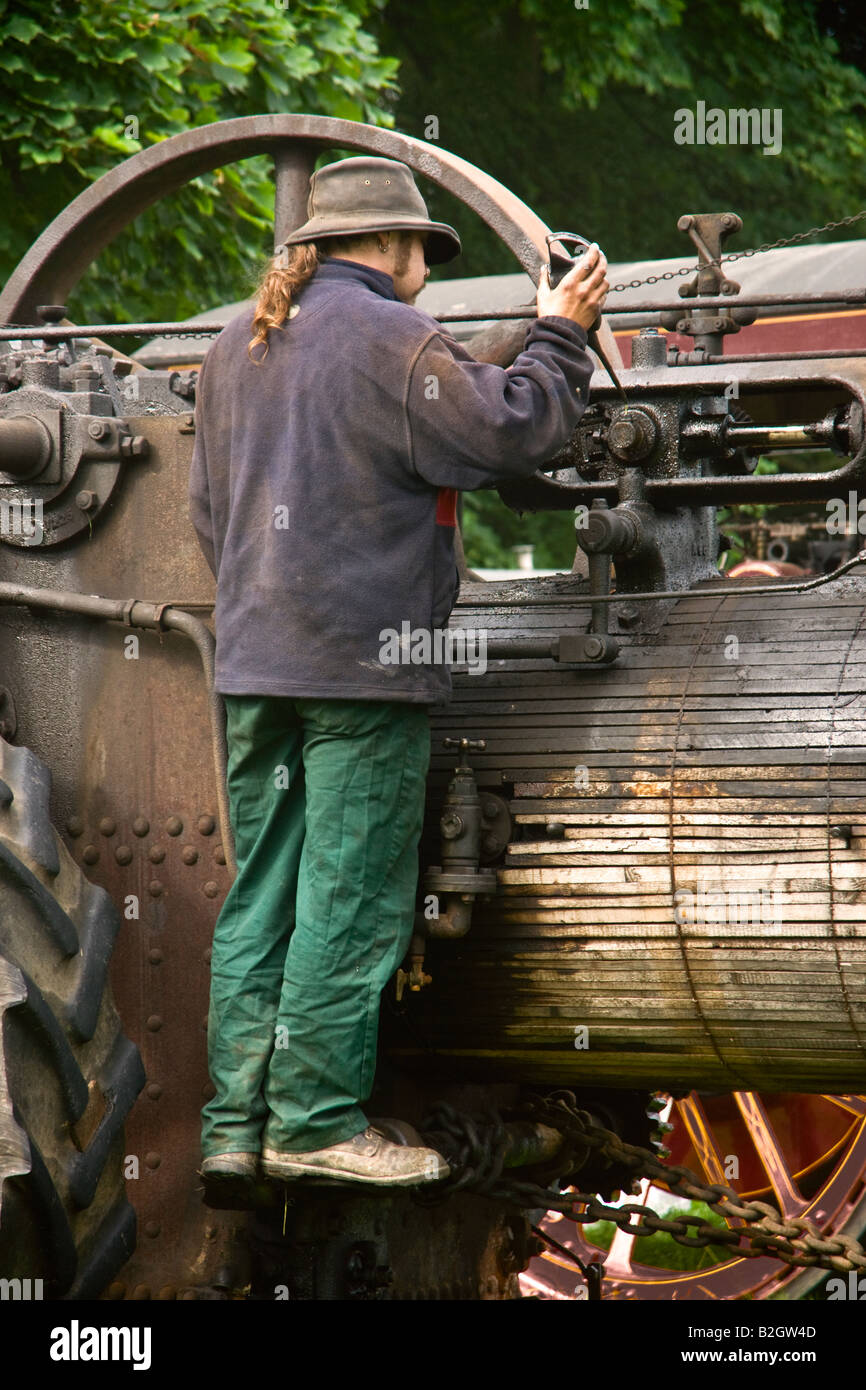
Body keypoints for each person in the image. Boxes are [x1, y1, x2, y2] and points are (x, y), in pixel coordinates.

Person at [188, 155, 608, 1188]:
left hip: (253, 666)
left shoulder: (233, 348)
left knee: (263, 895)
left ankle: (232, 1129)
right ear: (392, 247)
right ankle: (316, 1121)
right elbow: (507, 430)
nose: (426, 264)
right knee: (351, 893)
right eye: (423, 247)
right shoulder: (389, 336)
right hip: (364, 669)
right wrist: (561, 335)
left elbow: (209, 520)